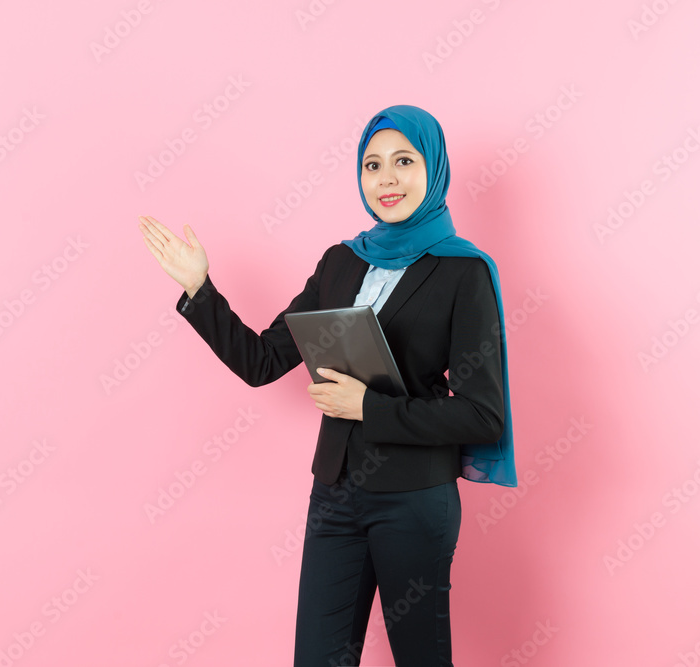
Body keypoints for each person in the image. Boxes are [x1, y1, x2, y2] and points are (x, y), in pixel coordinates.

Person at [138, 104, 516, 666]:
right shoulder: (341, 262)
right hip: (335, 494)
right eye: (372, 165)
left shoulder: (465, 271)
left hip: (413, 500)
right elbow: (262, 361)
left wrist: (370, 406)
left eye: (403, 161)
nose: (386, 179)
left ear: (433, 169)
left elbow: (483, 416)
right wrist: (201, 289)